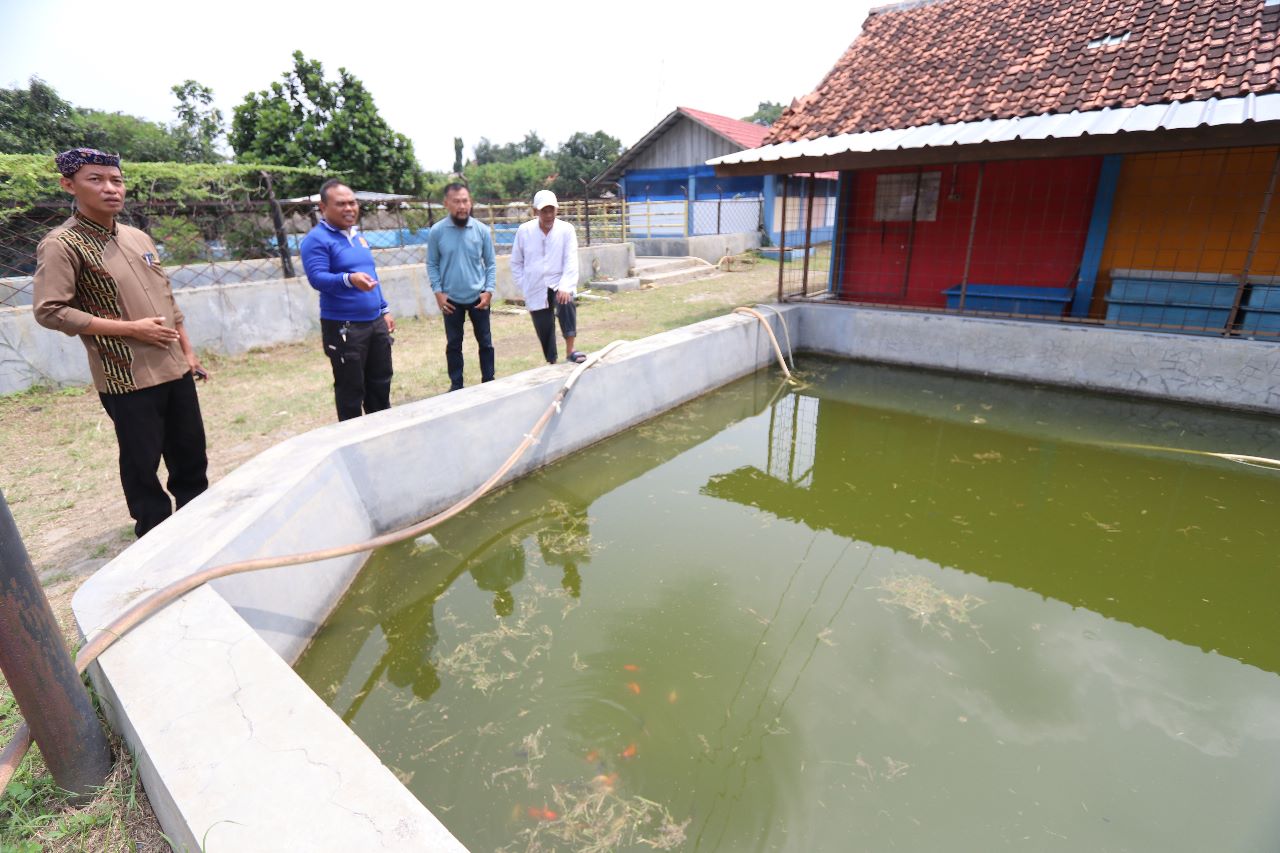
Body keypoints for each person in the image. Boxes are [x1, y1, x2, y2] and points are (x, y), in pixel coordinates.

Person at [33, 148, 209, 538]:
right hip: (125, 376)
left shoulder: (138, 237)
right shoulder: (63, 244)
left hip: (175, 367)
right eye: (96, 180)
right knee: (141, 465)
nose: (111, 188)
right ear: (68, 185)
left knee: (191, 455)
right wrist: (131, 329)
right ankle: (155, 537)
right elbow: (50, 310)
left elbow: (167, 299)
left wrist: (188, 352)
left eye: (116, 180)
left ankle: (200, 530)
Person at [299, 179, 395, 421]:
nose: (349, 208)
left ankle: (381, 431)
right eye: (341, 204)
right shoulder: (316, 239)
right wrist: (349, 279)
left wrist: (384, 309)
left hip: (375, 322)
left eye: (352, 203)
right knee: (351, 388)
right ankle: (353, 439)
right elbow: (317, 278)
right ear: (323, 207)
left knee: (381, 381)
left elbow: (371, 275)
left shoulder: (358, 237)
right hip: (344, 326)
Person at [426, 183, 496, 391]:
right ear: (446, 203)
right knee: (454, 344)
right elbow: (432, 264)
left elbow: (491, 263)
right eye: (456, 202)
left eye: (465, 201)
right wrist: (438, 293)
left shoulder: (482, 230)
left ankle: (489, 381)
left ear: (470, 202)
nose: (462, 206)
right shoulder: (437, 232)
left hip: (478, 297)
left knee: (485, 342)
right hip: (450, 299)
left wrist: (489, 290)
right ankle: (456, 385)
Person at [510, 189, 585, 364]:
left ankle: (570, 350)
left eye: (552, 210)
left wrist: (565, 286)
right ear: (535, 211)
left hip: (559, 281)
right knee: (543, 325)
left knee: (566, 304)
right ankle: (552, 360)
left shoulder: (566, 230)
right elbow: (516, 262)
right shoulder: (524, 231)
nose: (549, 215)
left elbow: (571, 260)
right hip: (535, 284)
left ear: (557, 210)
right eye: (544, 211)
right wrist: (524, 284)